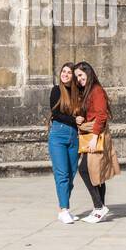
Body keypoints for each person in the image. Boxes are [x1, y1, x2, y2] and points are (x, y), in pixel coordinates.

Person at [73, 61, 120, 223]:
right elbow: (91, 113)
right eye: (76, 77)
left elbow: (101, 115)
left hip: (96, 135)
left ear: (88, 72)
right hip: (91, 133)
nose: (79, 79)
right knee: (96, 173)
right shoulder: (88, 91)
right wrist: (80, 118)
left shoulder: (96, 90)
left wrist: (94, 138)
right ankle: (99, 209)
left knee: (85, 169)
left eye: (80, 75)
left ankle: (99, 207)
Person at [48, 62, 81, 224]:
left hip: (74, 136)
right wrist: (75, 119)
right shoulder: (56, 90)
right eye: (63, 71)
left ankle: (63, 208)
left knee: (71, 174)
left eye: (69, 73)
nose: (65, 74)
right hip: (58, 135)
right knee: (61, 174)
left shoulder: (77, 93)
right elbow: (56, 114)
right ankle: (64, 209)